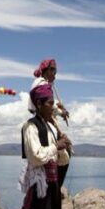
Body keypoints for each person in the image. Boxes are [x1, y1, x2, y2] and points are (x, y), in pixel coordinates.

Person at [29, 59, 71, 189]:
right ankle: (54, 188)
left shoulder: (45, 84)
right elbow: (46, 105)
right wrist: (60, 112)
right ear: (46, 71)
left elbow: (50, 106)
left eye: (55, 71)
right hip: (43, 122)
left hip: (48, 121)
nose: (54, 74)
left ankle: (55, 187)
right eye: (52, 70)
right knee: (62, 152)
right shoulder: (40, 84)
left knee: (64, 153)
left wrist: (60, 111)